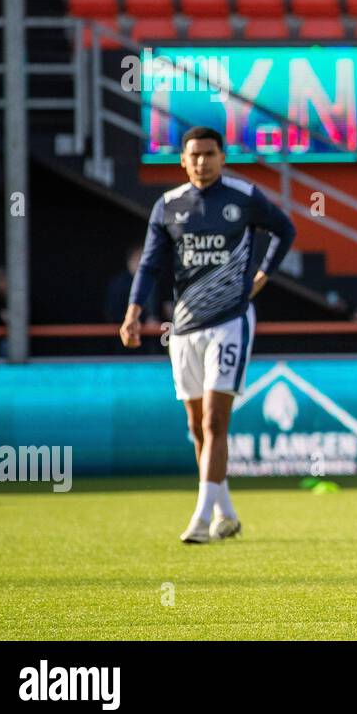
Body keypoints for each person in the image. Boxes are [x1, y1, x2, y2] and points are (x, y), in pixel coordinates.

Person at [120, 126, 296, 544]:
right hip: (183, 329)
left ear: (223, 156)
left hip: (230, 321)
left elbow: (285, 229)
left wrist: (263, 274)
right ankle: (226, 512)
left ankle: (200, 518)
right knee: (197, 426)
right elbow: (149, 265)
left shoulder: (243, 197)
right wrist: (133, 313)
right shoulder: (168, 206)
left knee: (217, 420)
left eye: (210, 154)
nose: (202, 161)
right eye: (194, 155)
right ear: (182, 160)